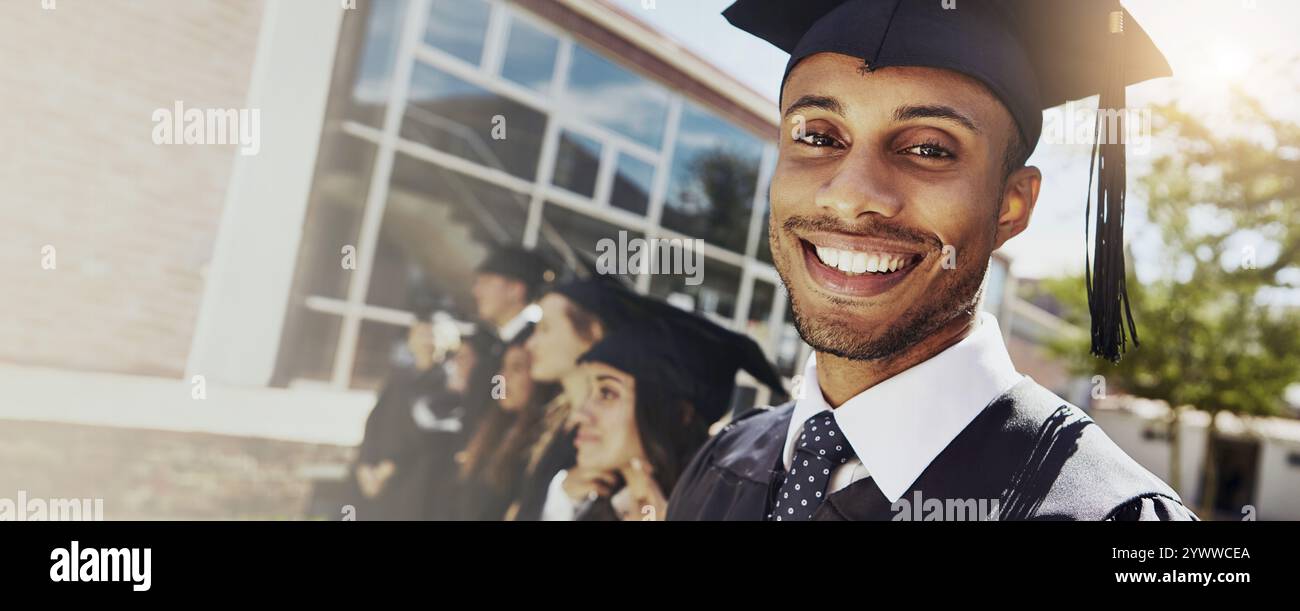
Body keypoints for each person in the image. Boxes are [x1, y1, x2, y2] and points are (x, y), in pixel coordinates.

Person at [667, 0, 1197, 521]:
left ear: (1011, 207)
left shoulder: (1111, 518)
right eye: (818, 137)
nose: (851, 196)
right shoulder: (722, 462)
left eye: (928, 149)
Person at [539, 302, 785, 521]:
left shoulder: (724, 509)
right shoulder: (588, 499)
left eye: (607, 393)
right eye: (589, 393)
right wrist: (562, 505)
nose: (579, 414)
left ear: (679, 413)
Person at [506, 278, 636, 520]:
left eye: (545, 329)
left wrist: (561, 499)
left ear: (592, 332)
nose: (531, 344)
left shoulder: (605, 440)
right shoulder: (556, 417)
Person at [352, 328, 501, 520]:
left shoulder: (461, 400)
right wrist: (366, 463)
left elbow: (424, 437)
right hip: (397, 494)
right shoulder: (405, 382)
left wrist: (387, 468)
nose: (456, 363)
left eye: (464, 358)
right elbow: (375, 422)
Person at [455, 327, 560, 521]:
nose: (504, 378)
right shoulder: (494, 428)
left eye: (517, 368)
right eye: (504, 367)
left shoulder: (540, 442)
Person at [473, 245, 554, 344]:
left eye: (486, 282)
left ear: (515, 290)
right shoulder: (504, 342)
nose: (476, 291)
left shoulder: (534, 344)